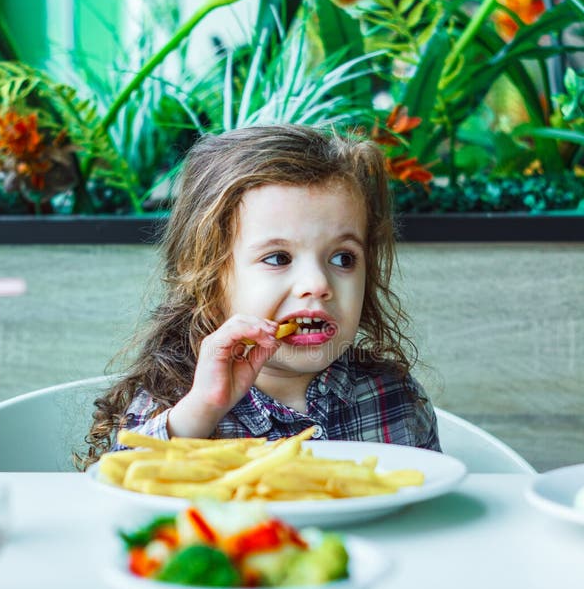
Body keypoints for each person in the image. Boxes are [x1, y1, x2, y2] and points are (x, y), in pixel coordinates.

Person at [84, 123, 440, 464]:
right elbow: (121, 494)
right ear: (208, 277)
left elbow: (433, 515)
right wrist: (201, 410)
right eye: (278, 258)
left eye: (343, 258)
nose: (317, 284)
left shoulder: (395, 397)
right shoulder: (176, 401)